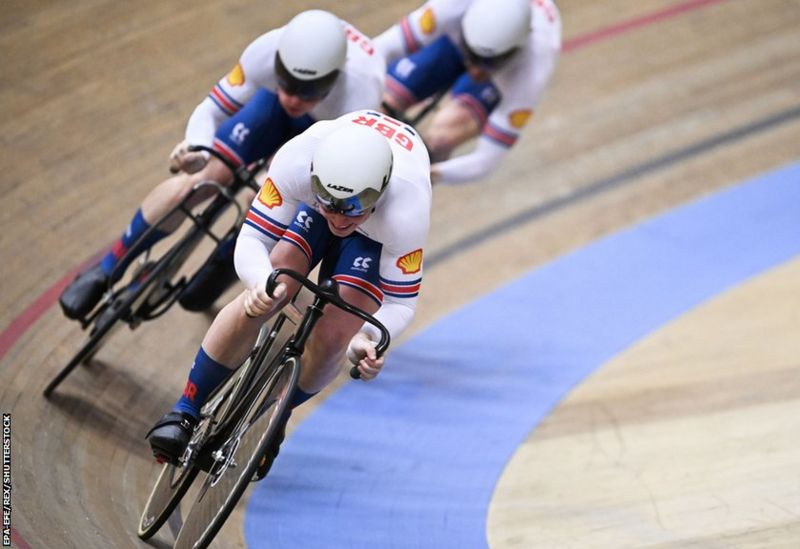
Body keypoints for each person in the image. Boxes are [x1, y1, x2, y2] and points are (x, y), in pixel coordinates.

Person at [146, 110, 432, 478]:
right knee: (273, 289)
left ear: (379, 193)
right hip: (310, 208)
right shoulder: (297, 161)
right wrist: (260, 283)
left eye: (352, 208)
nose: (339, 218)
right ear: (315, 179)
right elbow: (252, 239)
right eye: (329, 201)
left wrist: (368, 337)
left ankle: (276, 412)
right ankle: (185, 409)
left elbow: (400, 303)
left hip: (373, 241)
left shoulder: (405, 212)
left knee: (333, 337)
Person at [59, 9, 386, 320]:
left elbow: (331, 171)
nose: (293, 98)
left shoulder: (361, 91)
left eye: (308, 92)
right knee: (202, 179)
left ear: (333, 79)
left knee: (267, 201)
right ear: (279, 63)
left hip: (324, 137)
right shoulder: (265, 50)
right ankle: (105, 269)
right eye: (285, 82)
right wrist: (196, 148)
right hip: (268, 112)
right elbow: (211, 109)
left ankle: (224, 264)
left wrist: (271, 181)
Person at [372, 0, 561, 184]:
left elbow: (485, 161)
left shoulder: (532, 69)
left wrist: (426, 175)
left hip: (502, 77)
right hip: (452, 43)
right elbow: (375, 51)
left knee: (442, 140)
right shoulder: (451, 7)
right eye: (472, 56)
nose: (474, 70)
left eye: (487, 63)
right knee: (384, 101)